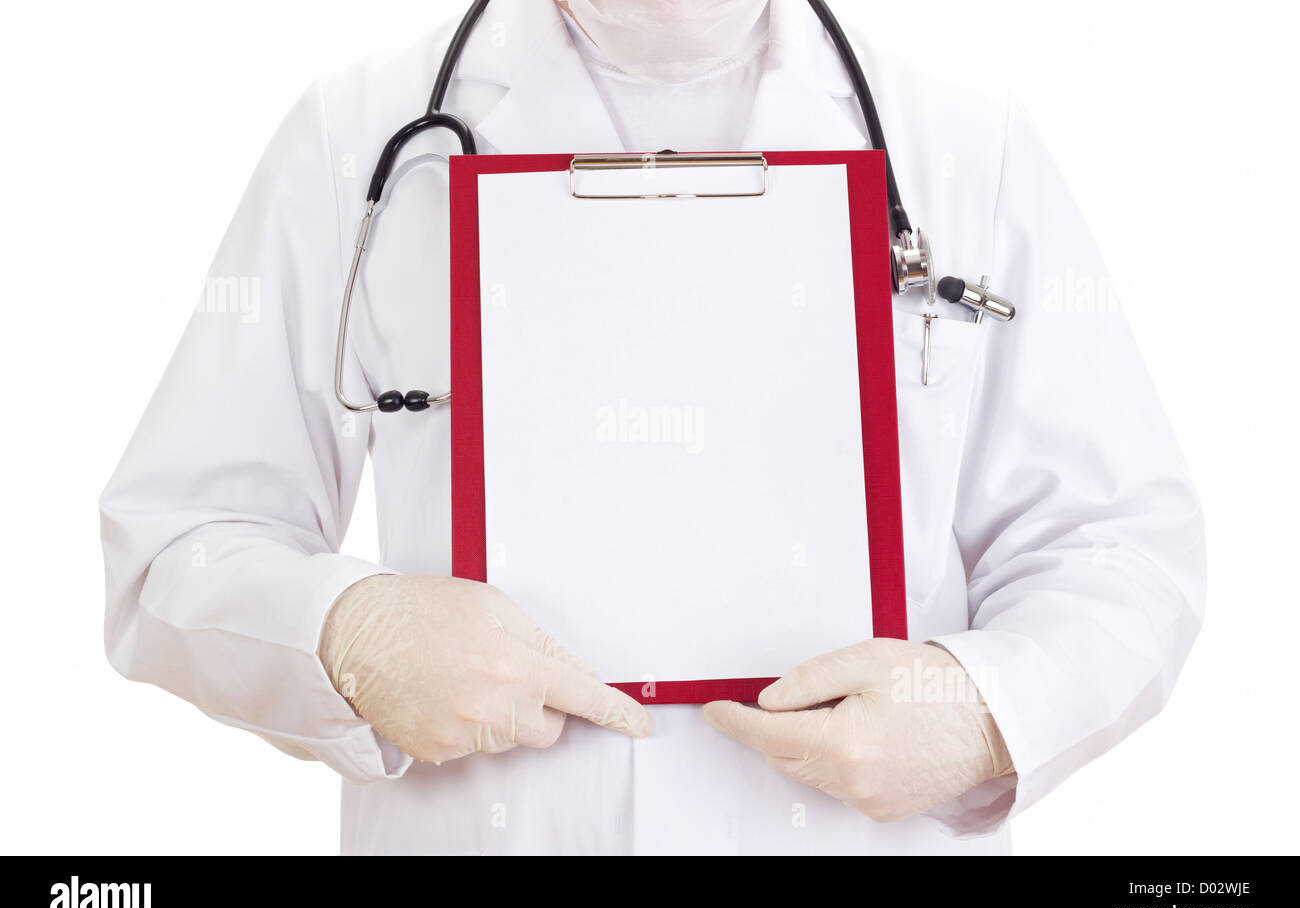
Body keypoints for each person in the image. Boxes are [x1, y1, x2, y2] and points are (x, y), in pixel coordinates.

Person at [100, 0, 1205, 855]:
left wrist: (982, 708)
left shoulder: (967, 142)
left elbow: (1119, 547)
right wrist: (347, 632)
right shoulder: (359, 138)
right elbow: (175, 539)